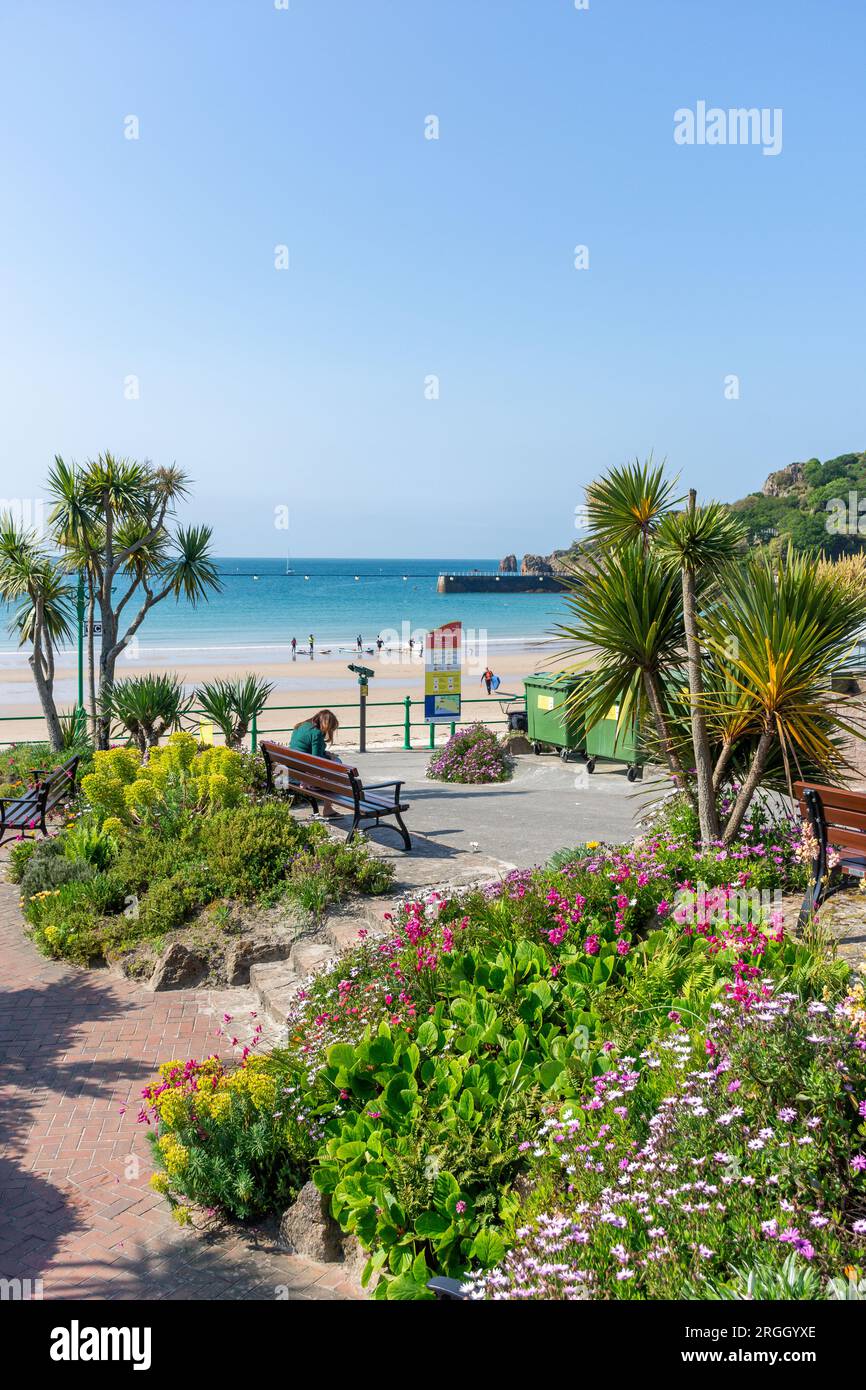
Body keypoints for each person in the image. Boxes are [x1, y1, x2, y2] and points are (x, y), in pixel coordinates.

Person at [290, 710, 341, 816]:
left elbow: (304, 749)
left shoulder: (301, 726)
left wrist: (326, 754)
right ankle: (327, 809)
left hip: (293, 768)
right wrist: (329, 757)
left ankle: (327, 807)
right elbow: (317, 760)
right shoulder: (316, 733)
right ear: (326, 724)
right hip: (304, 773)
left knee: (334, 764)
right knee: (337, 765)